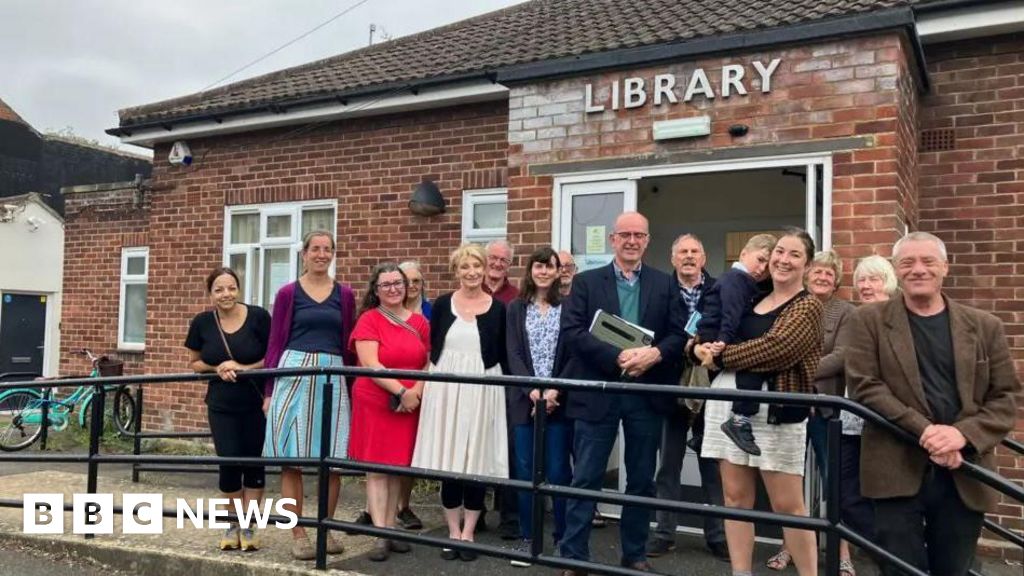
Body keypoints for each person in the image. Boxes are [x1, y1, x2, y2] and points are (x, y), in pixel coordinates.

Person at [847, 232, 1020, 576]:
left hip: (963, 469)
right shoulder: (869, 321)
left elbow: (1006, 398)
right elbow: (865, 386)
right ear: (897, 270)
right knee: (899, 570)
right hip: (894, 468)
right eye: (908, 262)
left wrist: (961, 436)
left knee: (954, 569)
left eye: (928, 261)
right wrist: (928, 432)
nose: (918, 270)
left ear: (945, 267)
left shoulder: (986, 326)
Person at [558, 212, 687, 575]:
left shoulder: (666, 284)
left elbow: (679, 335)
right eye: (625, 235)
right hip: (599, 391)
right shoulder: (585, 283)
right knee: (586, 477)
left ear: (647, 240)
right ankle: (573, 556)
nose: (632, 241)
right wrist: (617, 356)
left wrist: (654, 353)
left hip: (645, 394)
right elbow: (573, 333)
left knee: (642, 479)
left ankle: (634, 554)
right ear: (613, 239)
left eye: (639, 235)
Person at [696, 228, 824, 576]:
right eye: (779, 252)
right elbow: (704, 331)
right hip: (727, 407)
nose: (782, 260)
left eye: (794, 254)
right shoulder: (751, 294)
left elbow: (777, 349)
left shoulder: (808, 305)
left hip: (776, 414)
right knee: (735, 499)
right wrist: (697, 347)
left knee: (788, 506)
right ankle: (741, 573)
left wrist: (720, 356)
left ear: (807, 264)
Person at [411, 243, 509, 562]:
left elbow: (502, 354)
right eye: (465, 267)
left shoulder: (498, 309)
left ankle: (470, 533)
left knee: (476, 461)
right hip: (446, 389)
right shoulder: (441, 305)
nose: (471, 272)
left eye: (476, 266)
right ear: (456, 271)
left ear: (484, 269)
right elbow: (432, 350)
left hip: (483, 387)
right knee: (450, 462)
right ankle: (452, 532)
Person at [262, 231, 355, 561]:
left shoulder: (345, 294)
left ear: (333, 254)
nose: (321, 254)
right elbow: (275, 343)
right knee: (292, 459)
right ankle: (298, 533)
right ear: (303, 254)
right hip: (293, 371)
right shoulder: (288, 293)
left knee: (333, 460)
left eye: (327, 249)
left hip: (333, 372)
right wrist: (270, 390)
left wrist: (352, 386)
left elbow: (348, 342)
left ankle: (325, 528)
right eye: (315, 249)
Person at [765, 249, 856, 573]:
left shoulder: (845, 312)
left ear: (836, 281)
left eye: (828, 274)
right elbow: (775, 348)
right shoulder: (792, 305)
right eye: (817, 272)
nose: (822, 277)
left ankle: (842, 552)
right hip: (791, 404)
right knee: (790, 483)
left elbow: (844, 354)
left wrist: (800, 365)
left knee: (834, 484)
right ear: (807, 275)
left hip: (825, 410)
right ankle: (788, 547)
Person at [648, 234, 728, 561]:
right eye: (683, 251)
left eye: (695, 251)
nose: (690, 256)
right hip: (671, 387)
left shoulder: (721, 289)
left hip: (710, 387)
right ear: (673, 258)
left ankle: (719, 536)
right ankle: (665, 533)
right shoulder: (659, 290)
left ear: (704, 257)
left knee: (713, 466)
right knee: (668, 465)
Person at [185, 267, 271, 552]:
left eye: (231, 287)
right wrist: (216, 367)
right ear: (211, 294)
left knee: (254, 465)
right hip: (221, 405)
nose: (226, 294)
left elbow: (273, 357)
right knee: (229, 465)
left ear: (238, 289)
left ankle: (250, 526)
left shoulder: (258, 317)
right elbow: (195, 362)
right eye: (219, 289)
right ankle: (232, 523)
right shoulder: (202, 322)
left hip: (256, 403)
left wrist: (243, 368)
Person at [349, 263, 430, 562]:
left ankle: (392, 528)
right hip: (377, 398)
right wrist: (400, 391)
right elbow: (370, 363)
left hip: (410, 402)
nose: (394, 289)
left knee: (397, 468)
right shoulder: (369, 320)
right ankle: (380, 535)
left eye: (398, 283)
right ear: (376, 290)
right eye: (386, 285)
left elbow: (427, 361)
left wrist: (416, 392)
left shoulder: (420, 323)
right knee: (377, 469)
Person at [505, 247, 572, 567]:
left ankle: (562, 539)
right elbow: (513, 353)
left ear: (559, 271)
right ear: (530, 270)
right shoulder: (516, 308)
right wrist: (533, 390)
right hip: (524, 402)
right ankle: (529, 539)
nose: (544, 271)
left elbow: (573, 353)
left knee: (559, 471)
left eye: (550, 266)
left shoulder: (569, 307)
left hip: (559, 402)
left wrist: (554, 391)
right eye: (539, 266)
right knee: (525, 470)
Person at [698, 234, 776, 456]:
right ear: (743, 253)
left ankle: (704, 433)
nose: (762, 269)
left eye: (767, 266)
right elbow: (731, 313)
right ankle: (740, 420)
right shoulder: (737, 279)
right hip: (720, 334)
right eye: (760, 259)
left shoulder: (741, 280)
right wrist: (723, 340)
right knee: (754, 363)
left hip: (714, 332)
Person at [482, 239, 520, 537]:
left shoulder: (516, 298)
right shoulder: (469, 292)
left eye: (503, 260)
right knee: (476, 448)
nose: (496, 264)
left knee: (507, 452)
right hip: (476, 382)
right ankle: (476, 513)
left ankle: (509, 517)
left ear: (509, 265)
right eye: (492, 258)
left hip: (506, 383)